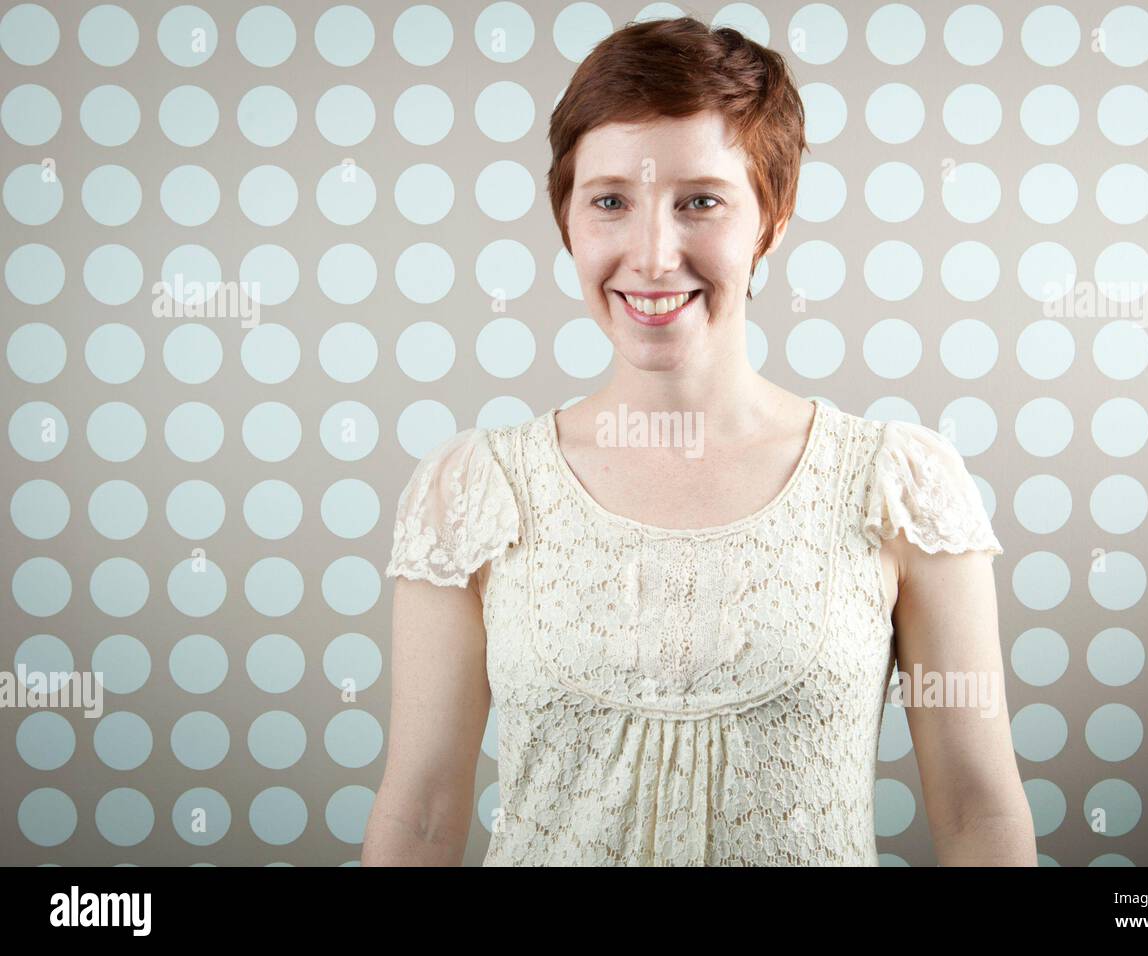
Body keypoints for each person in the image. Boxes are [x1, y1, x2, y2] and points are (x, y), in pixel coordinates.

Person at [362, 16, 1035, 866]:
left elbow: (979, 813)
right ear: (567, 220)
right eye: (610, 201)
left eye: (701, 202)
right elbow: (421, 812)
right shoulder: (470, 491)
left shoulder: (898, 485)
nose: (650, 255)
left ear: (772, 220)